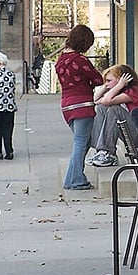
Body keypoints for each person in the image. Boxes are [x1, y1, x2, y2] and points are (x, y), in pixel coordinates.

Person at [56, 24, 103, 190]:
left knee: (82, 141)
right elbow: (98, 79)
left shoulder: (60, 60)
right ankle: (76, 179)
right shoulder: (81, 60)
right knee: (81, 142)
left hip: (66, 105)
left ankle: (71, 178)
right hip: (82, 104)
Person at [88, 64, 138, 166]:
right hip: (130, 131)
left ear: (121, 79)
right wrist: (106, 87)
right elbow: (95, 100)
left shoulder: (134, 90)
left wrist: (119, 85)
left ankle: (108, 153)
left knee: (115, 110)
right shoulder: (120, 92)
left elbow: (107, 101)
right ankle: (101, 152)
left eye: (109, 81)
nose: (106, 84)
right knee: (102, 108)